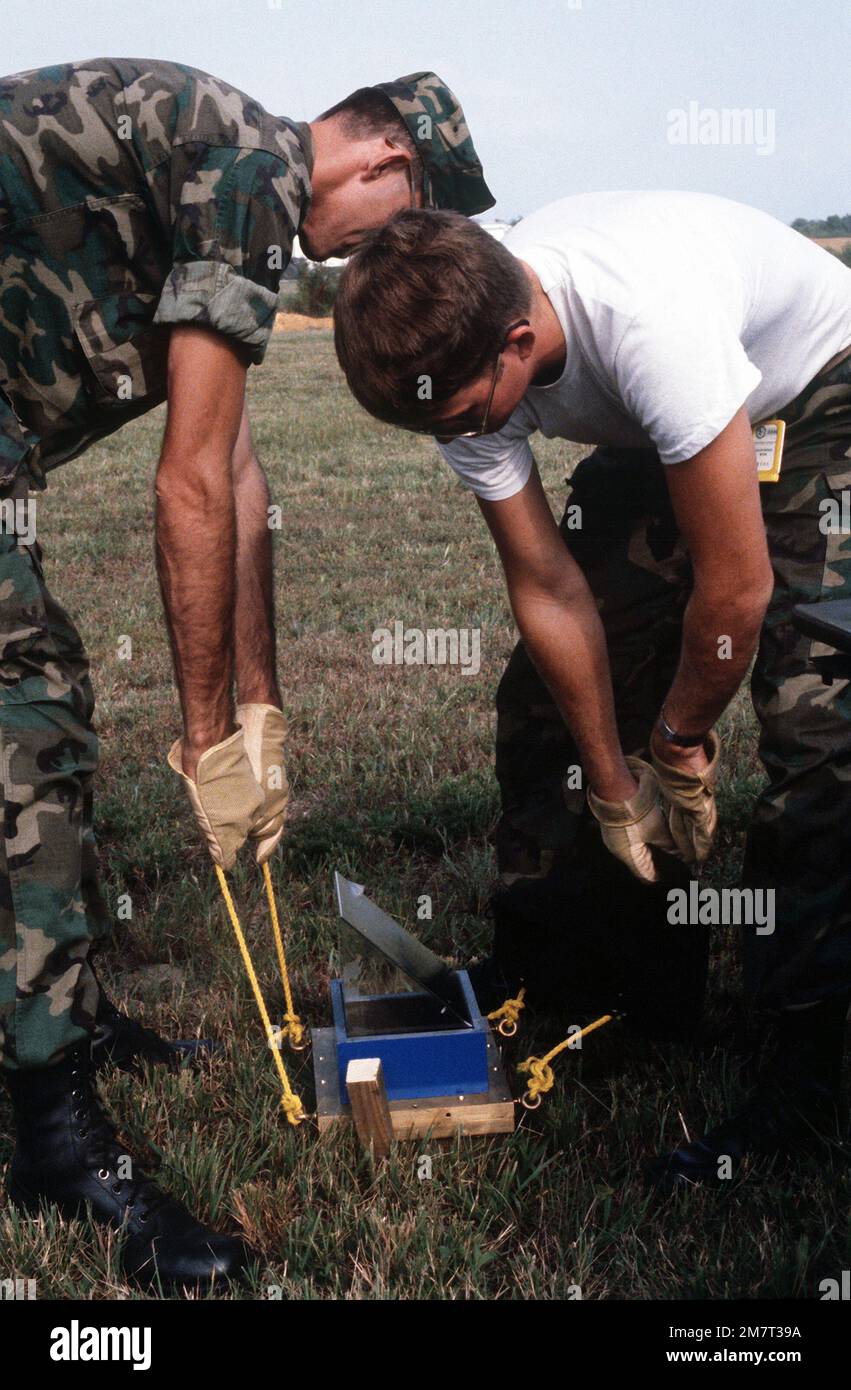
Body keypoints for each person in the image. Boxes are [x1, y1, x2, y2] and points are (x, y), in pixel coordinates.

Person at [0, 57, 493, 1288]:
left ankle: (65, 1004)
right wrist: (204, 735)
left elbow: (236, 479)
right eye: (417, 210)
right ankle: (54, 1132)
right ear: (379, 160)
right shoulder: (252, 172)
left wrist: (258, 713)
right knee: (30, 706)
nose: (405, 246)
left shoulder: (231, 171)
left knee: (40, 696)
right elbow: (181, 487)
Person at [333, 193, 851, 1188]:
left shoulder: (651, 324)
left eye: (459, 419)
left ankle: (800, 1074)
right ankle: (584, 975)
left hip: (821, 392)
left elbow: (733, 588)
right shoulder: (452, 358)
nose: (456, 436)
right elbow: (548, 588)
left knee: (815, 729)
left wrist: (678, 744)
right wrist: (612, 781)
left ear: (518, 340)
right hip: (665, 419)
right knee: (547, 708)